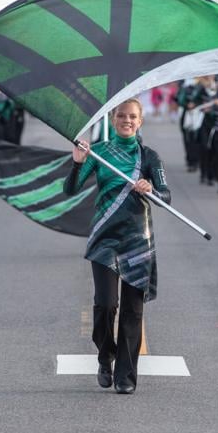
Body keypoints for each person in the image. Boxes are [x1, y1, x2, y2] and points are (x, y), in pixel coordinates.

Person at [63, 98, 170, 395]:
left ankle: (126, 375)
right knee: (106, 304)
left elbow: (166, 196)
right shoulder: (99, 153)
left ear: (141, 120)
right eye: (121, 116)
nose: (127, 120)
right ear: (113, 120)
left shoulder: (149, 157)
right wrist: (77, 162)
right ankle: (105, 356)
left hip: (138, 239)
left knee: (133, 310)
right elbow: (70, 189)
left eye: (133, 116)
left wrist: (151, 188)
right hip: (105, 237)